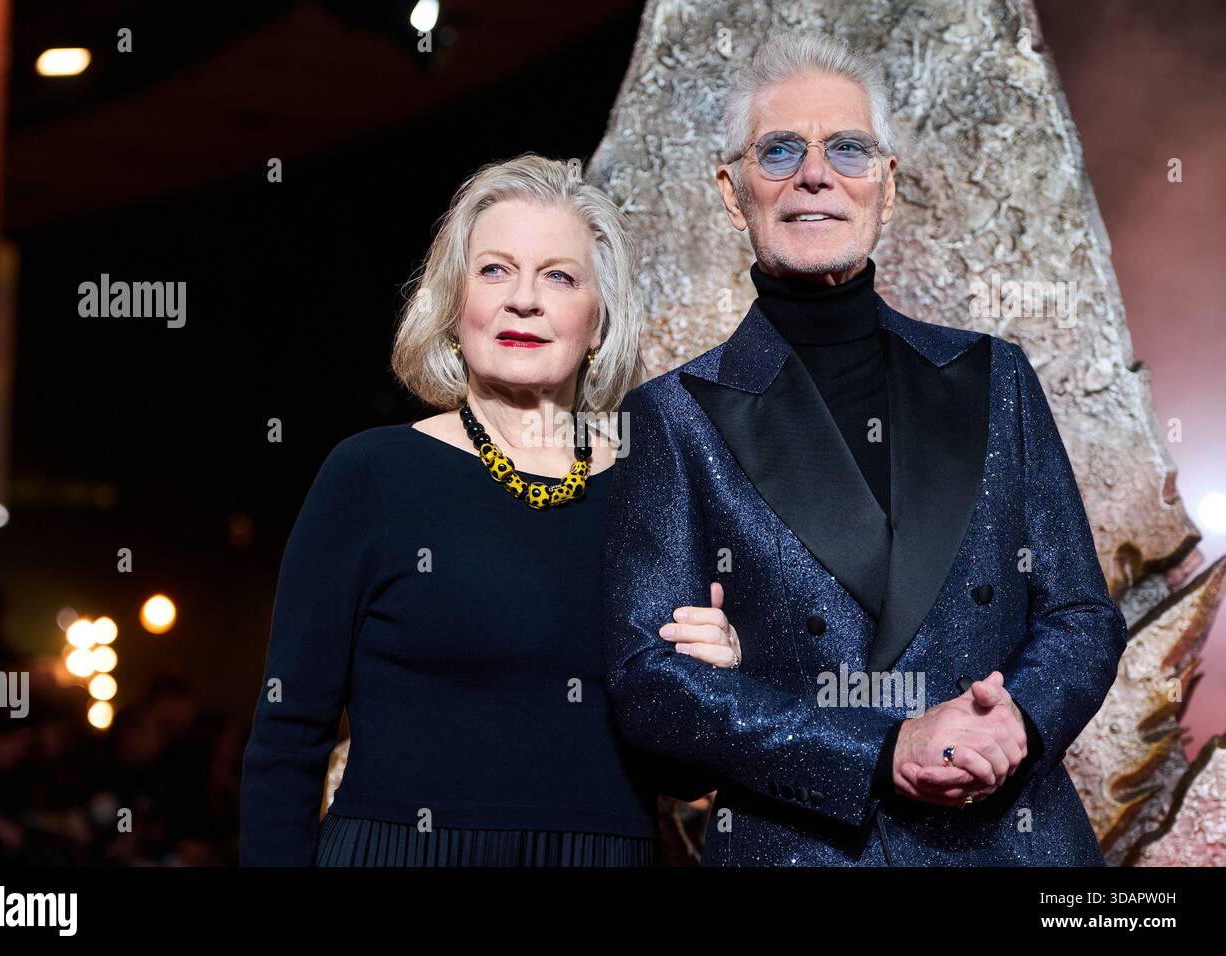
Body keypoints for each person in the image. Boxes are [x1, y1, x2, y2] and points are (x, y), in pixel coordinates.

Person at [599, 31, 1127, 865]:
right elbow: (649, 683)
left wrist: (1008, 727)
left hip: (1014, 841)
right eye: (780, 150)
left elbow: (1081, 614)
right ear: (734, 193)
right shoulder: (669, 417)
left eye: (848, 147)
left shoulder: (996, 377)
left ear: (888, 184)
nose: (816, 173)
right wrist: (882, 753)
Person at [239, 153, 741, 867]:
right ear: (455, 304)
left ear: (599, 321)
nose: (524, 300)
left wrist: (709, 682)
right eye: (495, 270)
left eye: (559, 276)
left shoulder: (655, 486)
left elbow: (681, 777)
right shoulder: (370, 475)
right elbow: (288, 739)